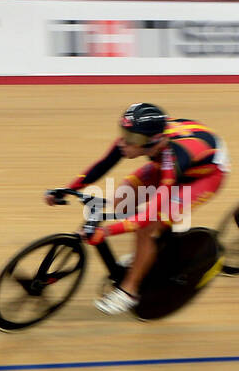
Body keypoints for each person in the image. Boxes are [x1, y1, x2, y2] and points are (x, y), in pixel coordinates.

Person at [49, 103, 228, 315]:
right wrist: (68, 189)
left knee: (147, 229)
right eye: (124, 133)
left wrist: (106, 231)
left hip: (204, 176)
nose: (123, 143)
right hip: (174, 159)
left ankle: (129, 291)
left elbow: (148, 215)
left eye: (132, 140)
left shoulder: (173, 157)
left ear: (154, 142)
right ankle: (150, 250)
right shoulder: (139, 138)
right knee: (123, 196)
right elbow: (103, 164)